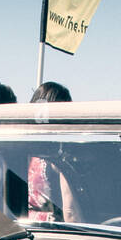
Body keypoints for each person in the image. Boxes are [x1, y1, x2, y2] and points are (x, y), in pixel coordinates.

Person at [26, 82, 82, 223]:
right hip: (54, 232)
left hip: (23, 228)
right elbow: (70, 212)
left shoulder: (23, 151)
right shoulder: (60, 156)